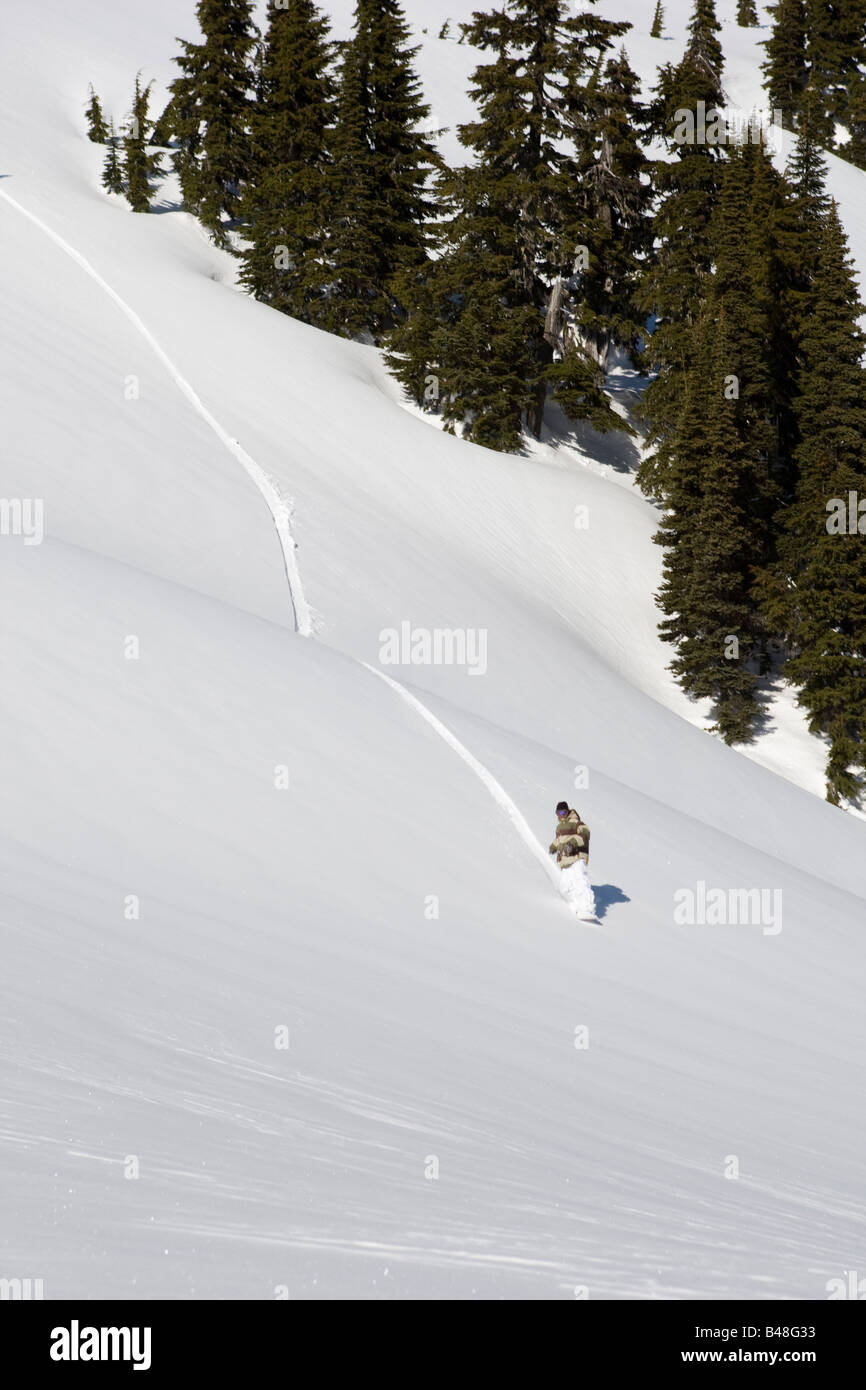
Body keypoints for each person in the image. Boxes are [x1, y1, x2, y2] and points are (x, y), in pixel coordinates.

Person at [549, 802, 596, 918]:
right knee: (565, 888)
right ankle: (576, 906)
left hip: (577, 857)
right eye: (559, 813)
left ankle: (587, 909)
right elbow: (559, 840)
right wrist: (553, 846)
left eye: (564, 812)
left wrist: (573, 843)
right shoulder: (559, 827)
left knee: (580, 881)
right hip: (565, 861)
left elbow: (586, 832)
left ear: (568, 811)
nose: (562, 815)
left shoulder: (575, 822)